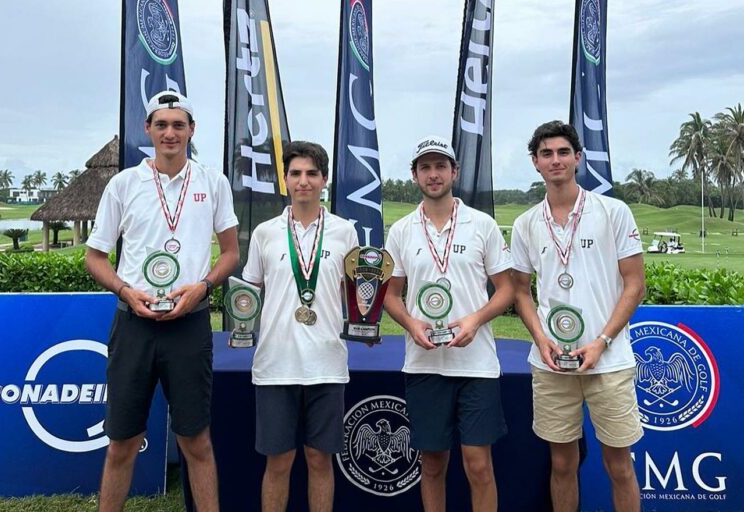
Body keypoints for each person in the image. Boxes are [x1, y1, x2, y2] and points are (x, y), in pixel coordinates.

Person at [86, 90, 240, 512]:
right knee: (122, 442)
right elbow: (94, 258)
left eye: (178, 125)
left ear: (191, 130)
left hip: (188, 326)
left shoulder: (213, 181)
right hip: (133, 323)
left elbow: (230, 254)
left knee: (197, 440)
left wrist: (202, 288)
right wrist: (124, 290)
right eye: (161, 124)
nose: (169, 133)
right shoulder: (123, 184)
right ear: (147, 129)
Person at [511, 121, 646, 512]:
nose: (556, 160)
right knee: (561, 463)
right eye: (547, 154)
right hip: (553, 363)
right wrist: (542, 340)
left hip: (609, 360)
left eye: (563, 152)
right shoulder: (525, 224)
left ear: (578, 158)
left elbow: (634, 284)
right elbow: (520, 288)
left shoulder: (613, 211)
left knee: (619, 466)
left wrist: (602, 341)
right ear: (535, 163)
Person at [383, 136, 514, 511]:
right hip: (424, 364)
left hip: (476, 363)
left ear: (454, 172)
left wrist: (475, 319)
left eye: (441, 166)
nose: (434, 174)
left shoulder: (482, 225)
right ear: (414, 176)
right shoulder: (402, 230)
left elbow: (506, 290)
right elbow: (391, 294)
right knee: (433, 464)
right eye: (425, 167)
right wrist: (410, 324)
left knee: (479, 465)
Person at [242, 141, 358, 512]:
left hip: (326, 363)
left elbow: (356, 293)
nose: (303, 181)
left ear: (324, 179)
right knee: (278, 462)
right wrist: (242, 326)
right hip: (276, 364)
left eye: (311, 174)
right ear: (285, 180)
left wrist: (363, 323)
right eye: (295, 174)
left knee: (319, 460)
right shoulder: (265, 233)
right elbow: (249, 293)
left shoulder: (344, 232)